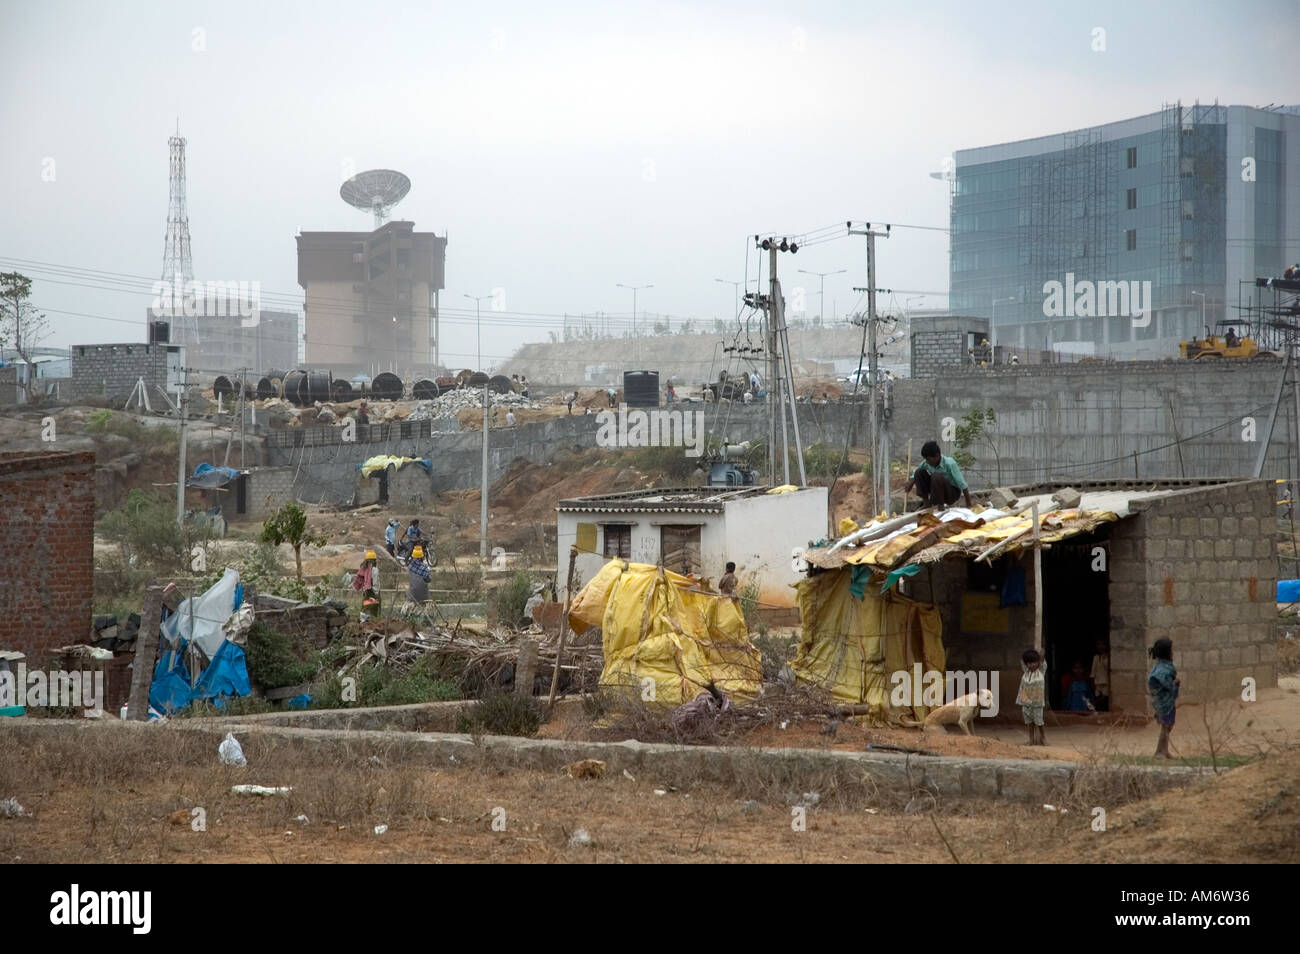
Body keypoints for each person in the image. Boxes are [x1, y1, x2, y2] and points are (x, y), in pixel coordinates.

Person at [903, 440, 973, 510]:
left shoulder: (949, 463)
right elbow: (917, 473)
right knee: (919, 472)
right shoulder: (926, 463)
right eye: (925, 459)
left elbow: (962, 484)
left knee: (936, 476)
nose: (926, 462)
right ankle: (926, 503)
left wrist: (969, 504)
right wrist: (911, 483)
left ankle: (940, 506)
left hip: (951, 494)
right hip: (937, 491)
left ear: (937, 455)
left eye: (928, 459)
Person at [1148, 637, 1180, 759]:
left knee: (1168, 725)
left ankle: (1164, 751)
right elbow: (1164, 683)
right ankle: (1159, 752)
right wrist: (1175, 683)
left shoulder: (1163, 666)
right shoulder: (1162, 669)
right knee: (1166, 725)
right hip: (1163, 702)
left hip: (1165, 701)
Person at [1016, 648, 1047, 745]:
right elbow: (1022, 660)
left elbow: (1042, 659)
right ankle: (1031, 739)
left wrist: (1039, 654)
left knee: (1039, 721)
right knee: (1029, 722)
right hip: (1026, 702)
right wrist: (1029, 654)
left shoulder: (1041, 671)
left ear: (1038, 662)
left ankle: (1043, 738)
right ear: (1026, 664)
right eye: (1029, 663)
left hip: (1037, 702)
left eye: (1034, 662)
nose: (1032, 665)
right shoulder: (1026, 671)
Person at [352, 550, 380, 616]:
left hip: (366, 592)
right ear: (374, 560)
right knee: (373, 611)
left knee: (364, 608)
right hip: (372, 592)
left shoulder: (364, 569)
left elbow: (360, 580)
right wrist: (376, 594)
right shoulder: (375, 570)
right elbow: (375, 583)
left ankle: (363, 622)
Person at [1091, 639, 1110, 712]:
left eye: (1103, 644)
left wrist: (1104, 658)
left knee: (1105, 699)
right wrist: (1092, 682)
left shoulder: (1108, 656)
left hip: (1106, 682)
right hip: (1097, 682)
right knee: (1097, 699)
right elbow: (1093, 671)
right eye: (1099, 644)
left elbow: (1108, 668)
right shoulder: (1096, 657)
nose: (1101, 646)